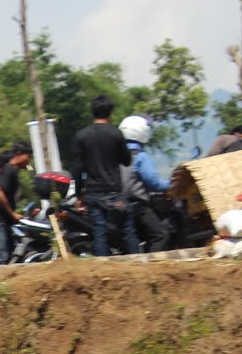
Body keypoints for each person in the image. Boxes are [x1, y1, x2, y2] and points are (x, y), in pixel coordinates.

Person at [72, 95, 141, 257]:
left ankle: (102, 266)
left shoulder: (81, 136)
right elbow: (126, 161)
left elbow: (77, 169)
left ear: (93, 112)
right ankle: (136, 262)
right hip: (115, 192)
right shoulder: (116, 134)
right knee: (127, 230)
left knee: (99, 230)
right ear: (110, 113)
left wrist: (79, 195)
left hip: (93, 192)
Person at [119, 116, 176, 252]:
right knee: (161, 235)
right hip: (136, 206)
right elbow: (154, 183)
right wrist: (174, 184)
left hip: (116, 204)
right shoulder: (140, 156)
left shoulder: (116, 155)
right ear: (140, 132)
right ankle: (153, 267)